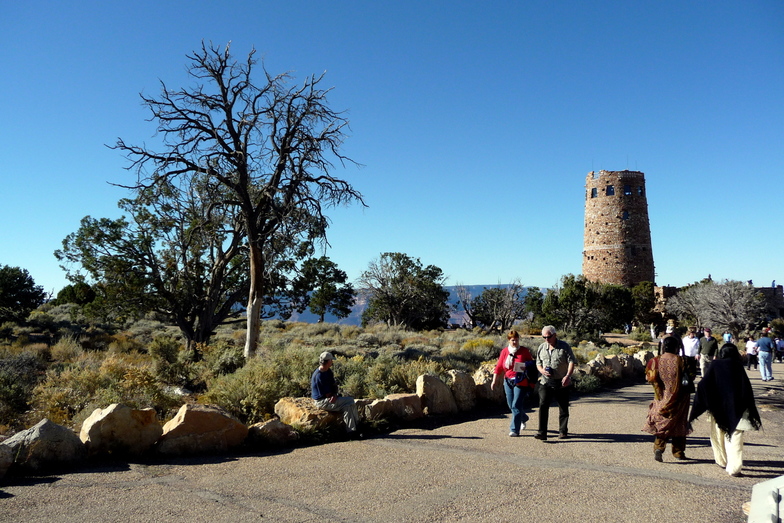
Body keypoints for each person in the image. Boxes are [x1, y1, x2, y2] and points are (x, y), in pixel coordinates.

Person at [689, 344, 762, 477]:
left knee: (718, 435)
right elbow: (746, 388)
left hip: (718, 408)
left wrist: (706, 401)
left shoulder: (716, 365)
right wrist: (749, 408)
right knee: (736, 438)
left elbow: (703, 384)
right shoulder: (738, 366)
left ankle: (722, 461)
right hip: (737, 408)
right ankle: (734, 468)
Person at [643, 336, 693, 462]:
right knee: (679, 423)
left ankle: (659, 447)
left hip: (661, 398)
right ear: (677, 347)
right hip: (679, 398)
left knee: (662, 423)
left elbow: (648, 378)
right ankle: (678, 452)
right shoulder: (682, 361)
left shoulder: (654, 361)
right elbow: (691, 376)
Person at [534, 325, 577, 441]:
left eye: (548, 337)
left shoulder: (564, 346)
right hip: (545, 381)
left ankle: (563, 431)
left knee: (563, 407)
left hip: (562, 381)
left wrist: (568, 376)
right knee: (543, 405)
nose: (546, 339)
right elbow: (538, 363)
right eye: (544, 337)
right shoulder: (541, 347)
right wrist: (542, 370)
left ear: (555, 335)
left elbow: (571, 361)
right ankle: (542, 432)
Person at [491, 330, 535, 437]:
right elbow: (499, 367)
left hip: (520, 381)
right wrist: (494, 381)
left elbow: (532, 363)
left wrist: (525, 365)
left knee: (516, 405)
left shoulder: (524, 351)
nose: (514, 342)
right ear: (509, 340)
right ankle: (523, 417)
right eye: (512, 340)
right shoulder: (505, 352)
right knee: (511, 405)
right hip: (508, 380)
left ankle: (514, 430)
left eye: (516, 340)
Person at [311, 351, 362, 439]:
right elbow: (327, 394)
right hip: (322, 401)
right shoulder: (319, 376)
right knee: (350, 400)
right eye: (331, 360)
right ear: (327, 361)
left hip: (329, 398)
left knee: (347, 407)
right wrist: (334, 395)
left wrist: (335, 394)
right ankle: (358, 425)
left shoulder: (327, 371)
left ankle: (352, 432)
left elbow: (334, 385)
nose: (332, 362)